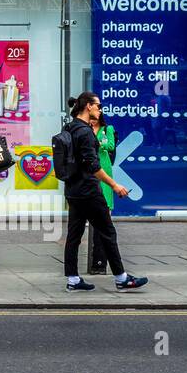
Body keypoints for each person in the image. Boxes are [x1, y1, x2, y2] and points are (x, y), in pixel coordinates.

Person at [61, 92, 147, 293]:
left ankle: (73, 279)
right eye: (98, 106)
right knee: (108, 232)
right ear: (88, 106)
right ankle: (121, 278)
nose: (100, 109)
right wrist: (114, 185)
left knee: (74, 235)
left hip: (72, 189)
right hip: (89, 190)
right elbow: (93, 165)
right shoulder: (85, 132)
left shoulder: (69, 127)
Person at [87, 109, 118, 274]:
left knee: (105, 209)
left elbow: (111, 145)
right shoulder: (85, 128)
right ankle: (96, 262)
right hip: (90, 170)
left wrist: (100, 144)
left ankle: (100, 263)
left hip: (104, 168)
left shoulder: (108, 129)